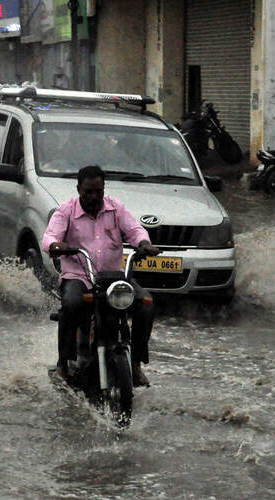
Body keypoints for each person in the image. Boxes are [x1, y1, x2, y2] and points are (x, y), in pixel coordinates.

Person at [41, 165, 161, 387]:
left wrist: (144, 244)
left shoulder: (116, 209)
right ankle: (63, 365)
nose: (94, 196)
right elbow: (49, 237)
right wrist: (58, 245)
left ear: (104, 189)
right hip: (78, 276)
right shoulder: (66, 211)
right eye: (88, 191)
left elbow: (135, 230)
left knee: (146, 303)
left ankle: (135, 365)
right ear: (79, 189)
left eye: (98, 191)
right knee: (71, 303)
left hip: (113, 278)